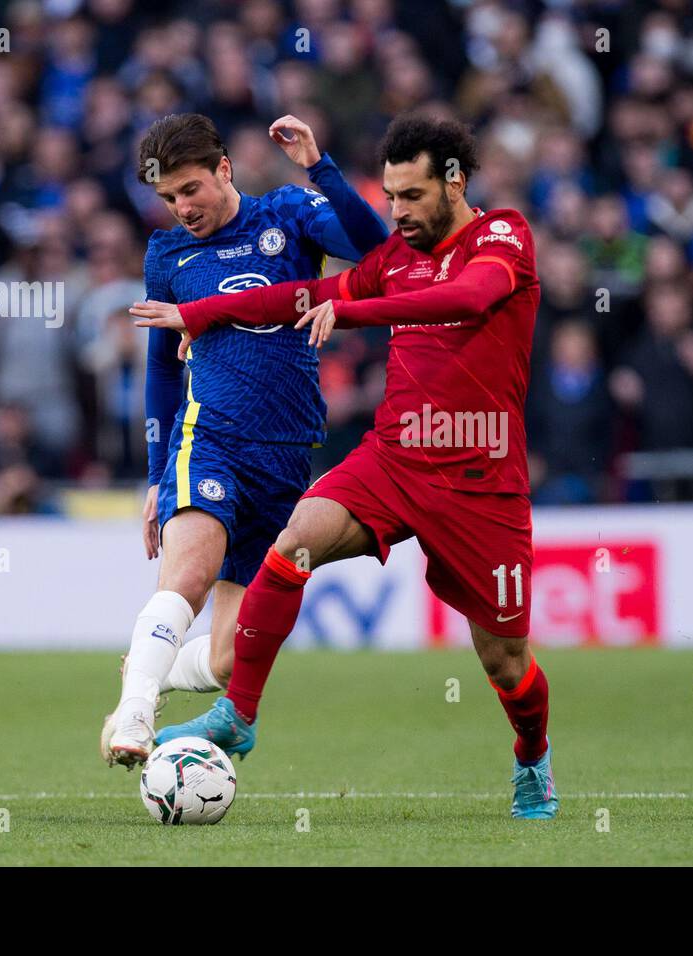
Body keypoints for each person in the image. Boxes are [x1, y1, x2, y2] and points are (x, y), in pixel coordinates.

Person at [131, 114, 557, 818]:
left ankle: (532, 756)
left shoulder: (501, 235)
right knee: (292, 541)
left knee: (505, 664)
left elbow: (469, 298)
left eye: (413, 197)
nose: (399, 213)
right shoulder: (396, 255)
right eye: (391, 197)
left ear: (454, 182)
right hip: (394, 459)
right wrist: (202, 314)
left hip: (482, 480)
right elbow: (304, 297)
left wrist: (360, 313)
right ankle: (238, 715)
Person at [101, 113, 388, 767]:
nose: (182, 208)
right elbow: (160, 369)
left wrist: (321, 167)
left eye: (191, 190)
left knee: (233, 657)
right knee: (190, 574)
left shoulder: (287, 215)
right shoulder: (167, 255)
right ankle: (137, 718)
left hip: (285, 456)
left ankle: (146, 671)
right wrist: (154, 474)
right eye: (169, 197)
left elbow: (375, 250)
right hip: (210, 440)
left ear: (224, 170)